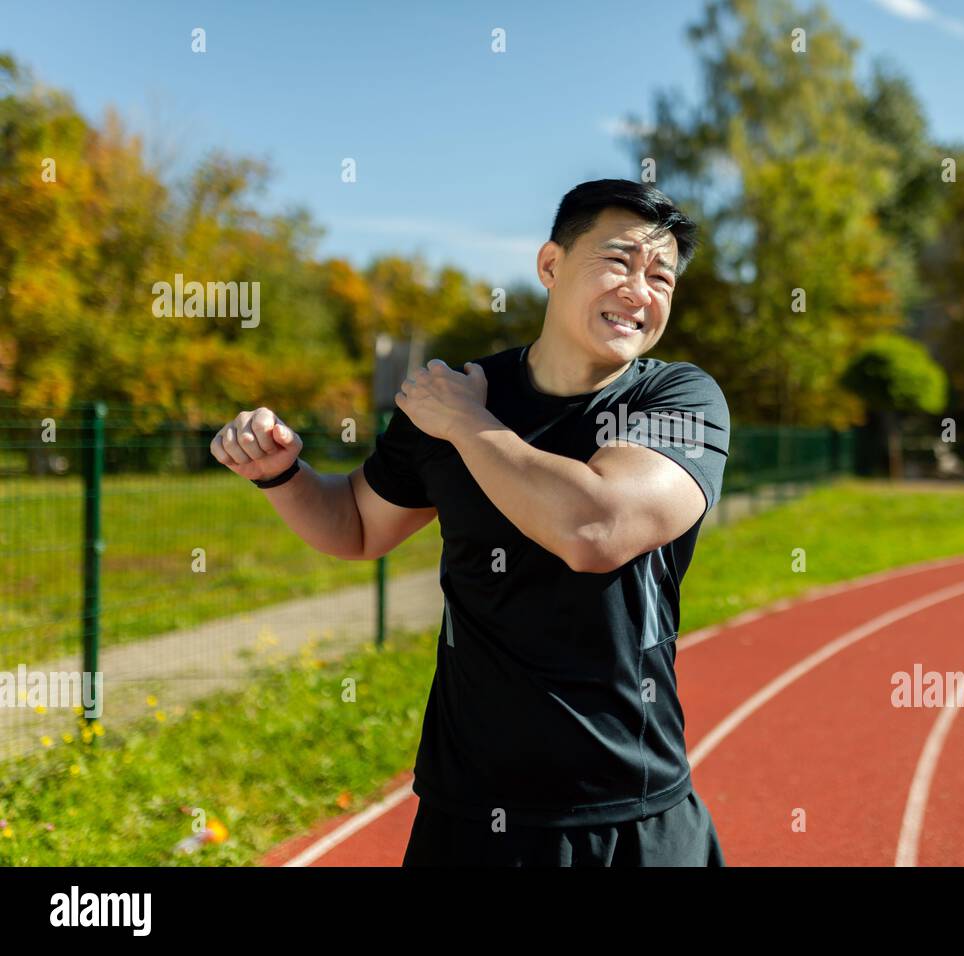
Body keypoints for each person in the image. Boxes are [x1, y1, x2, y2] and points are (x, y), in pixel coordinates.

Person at [211, 178, 730, 866]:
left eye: (661, 275)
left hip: (629, 807)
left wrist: (467, 424)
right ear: (551, 265)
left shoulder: (676, 397)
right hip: (470, 810)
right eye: (618, 261)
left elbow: (597, 530)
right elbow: (358, 527)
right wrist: (278, 473)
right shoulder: (452, 395)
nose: (641, 289)